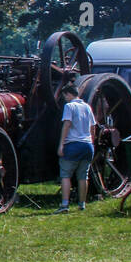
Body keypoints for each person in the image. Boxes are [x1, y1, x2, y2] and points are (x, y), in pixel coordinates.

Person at [55, 83, 97, 214]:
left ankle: (65, 204)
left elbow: (67, 125)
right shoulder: (87, 107)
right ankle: (82, 204)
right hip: (87, 145)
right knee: (83, 176)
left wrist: (61, 145)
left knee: (66, 175)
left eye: (64, 96)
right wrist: (92, 142)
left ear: (68, 94)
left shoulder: (69, 106)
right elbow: (93, 127)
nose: (64, 98)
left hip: (73, 145)